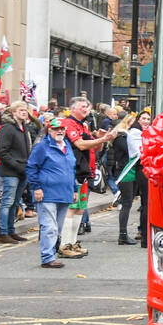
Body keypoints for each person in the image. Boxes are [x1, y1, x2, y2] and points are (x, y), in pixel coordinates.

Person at [61, 97, 116, 236]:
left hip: (86, 172)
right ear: (73, 109)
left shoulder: (83, 125)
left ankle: (72, 243)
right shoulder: (68, 123)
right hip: (73, 171)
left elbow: (97, 147)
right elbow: (79, 144)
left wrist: (102, 137)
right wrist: (102, 139)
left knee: (81, 207)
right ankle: (65, 243)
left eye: (87, 106)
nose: (86, 109)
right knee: (72, 207)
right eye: (82, 107)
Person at [26, 117, 76, 269]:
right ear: (49, 130)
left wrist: (74, 189)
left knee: (57, 228)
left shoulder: (67, 145)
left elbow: (71, 169)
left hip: (64, 192)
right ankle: (47, 257)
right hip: (47, 193)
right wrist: (36, 188)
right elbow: (31, 167)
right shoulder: (42, 147)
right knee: (49, 227)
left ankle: (51, 253)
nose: (59, 131)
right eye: (56, 129)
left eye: (62, 129)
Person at [0, 102, 34, 244]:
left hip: (23, 170)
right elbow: (1, 151)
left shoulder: (24, 128)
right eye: (21, 110)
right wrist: (17, 166)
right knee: (7, 202)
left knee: (15, 202)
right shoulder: (8, 129)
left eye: (25, 110)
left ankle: (11, 231)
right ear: (13, 112)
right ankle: (3, 233)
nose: (24, 112)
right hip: (11, 171)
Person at [111, 112, 139, 245]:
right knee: (126, 203)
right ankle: (122, 235)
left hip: (132, 171)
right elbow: (131, 151)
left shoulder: (127, 135)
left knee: (128, 202)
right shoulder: (122, 136)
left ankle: (124, 234)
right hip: (125, 172)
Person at [129, 110, 151, 248]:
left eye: (148, 118)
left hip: (152, 168)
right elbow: (138, 152)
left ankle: (146, 233)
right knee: (146, 203)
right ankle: (144, 236)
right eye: (143, 118)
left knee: (149, 203)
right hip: (142, 168)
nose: (146, 121)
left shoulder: (150, 132)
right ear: (138, 119)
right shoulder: (134, 133)